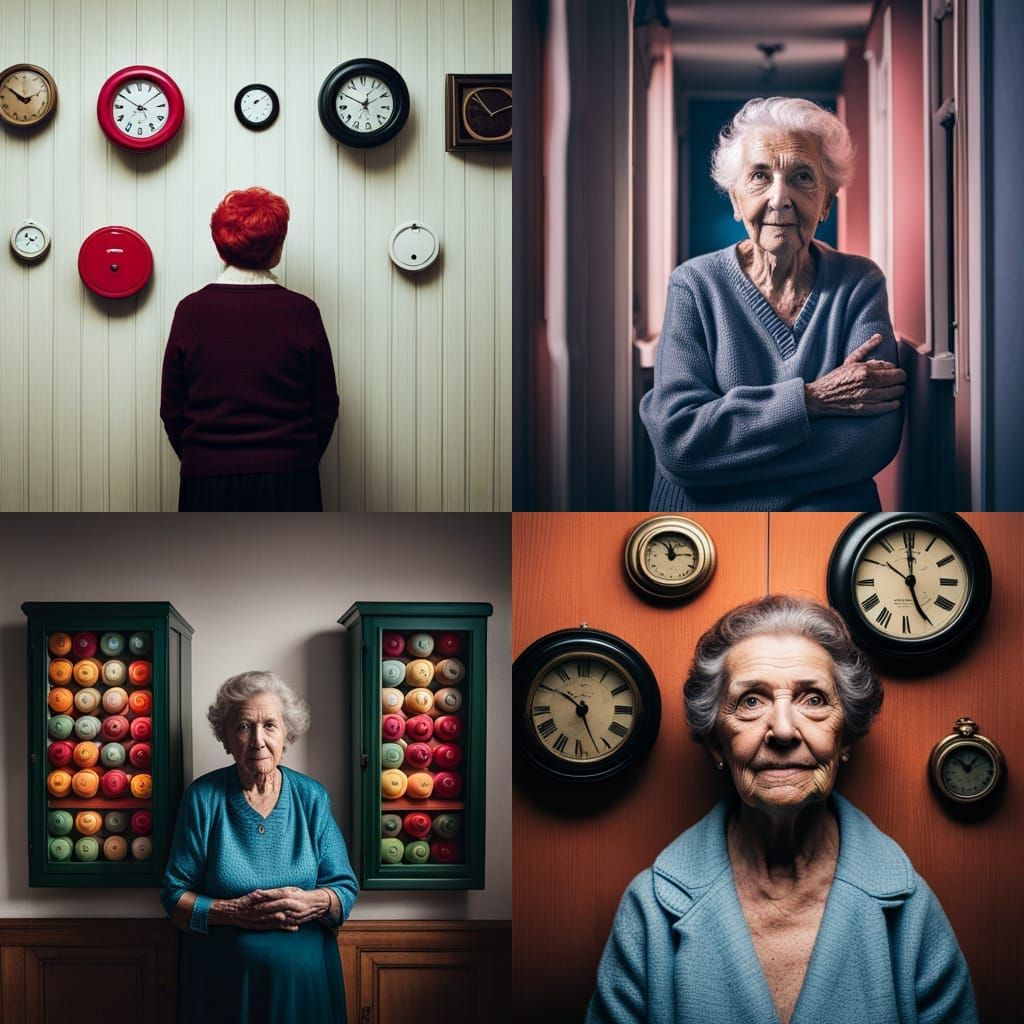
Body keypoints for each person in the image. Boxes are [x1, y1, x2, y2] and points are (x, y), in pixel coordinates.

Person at [586, 595, 977, 1024]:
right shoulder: (650, 912)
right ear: (717, 742)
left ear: (845, 738)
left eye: (813, 700)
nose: (785, 730)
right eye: (751, 701)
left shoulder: (911, 911)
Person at [640, 98, 907, 510]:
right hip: (704, 536)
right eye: (760, 176)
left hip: (819, 530)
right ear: (734, 200)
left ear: (827, 202)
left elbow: (869, 442)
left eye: (802, 177)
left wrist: (724, 466)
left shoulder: (859, 283)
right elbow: (680, 444)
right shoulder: (694, 285)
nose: (780, 198)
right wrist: (812, 399)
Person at [161, 671, 359, 1023]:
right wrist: (233, 911)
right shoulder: (203, 798)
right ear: (225, 738)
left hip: (304, 989)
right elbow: (175, 897)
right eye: (243, 727)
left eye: (270, 725)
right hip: (224, 987)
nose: (257, 740)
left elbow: (344, 889)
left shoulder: (311, 797)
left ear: (287, 735)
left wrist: (310, 902)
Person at [160, 187, 339, 511]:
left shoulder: (190, 310)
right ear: (277, 248)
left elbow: (172, 408)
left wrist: (205, 459)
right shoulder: (301, 310)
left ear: (220, 245)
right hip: (290, 477)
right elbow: (325, 406)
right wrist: (296, 458)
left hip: (206, 479)